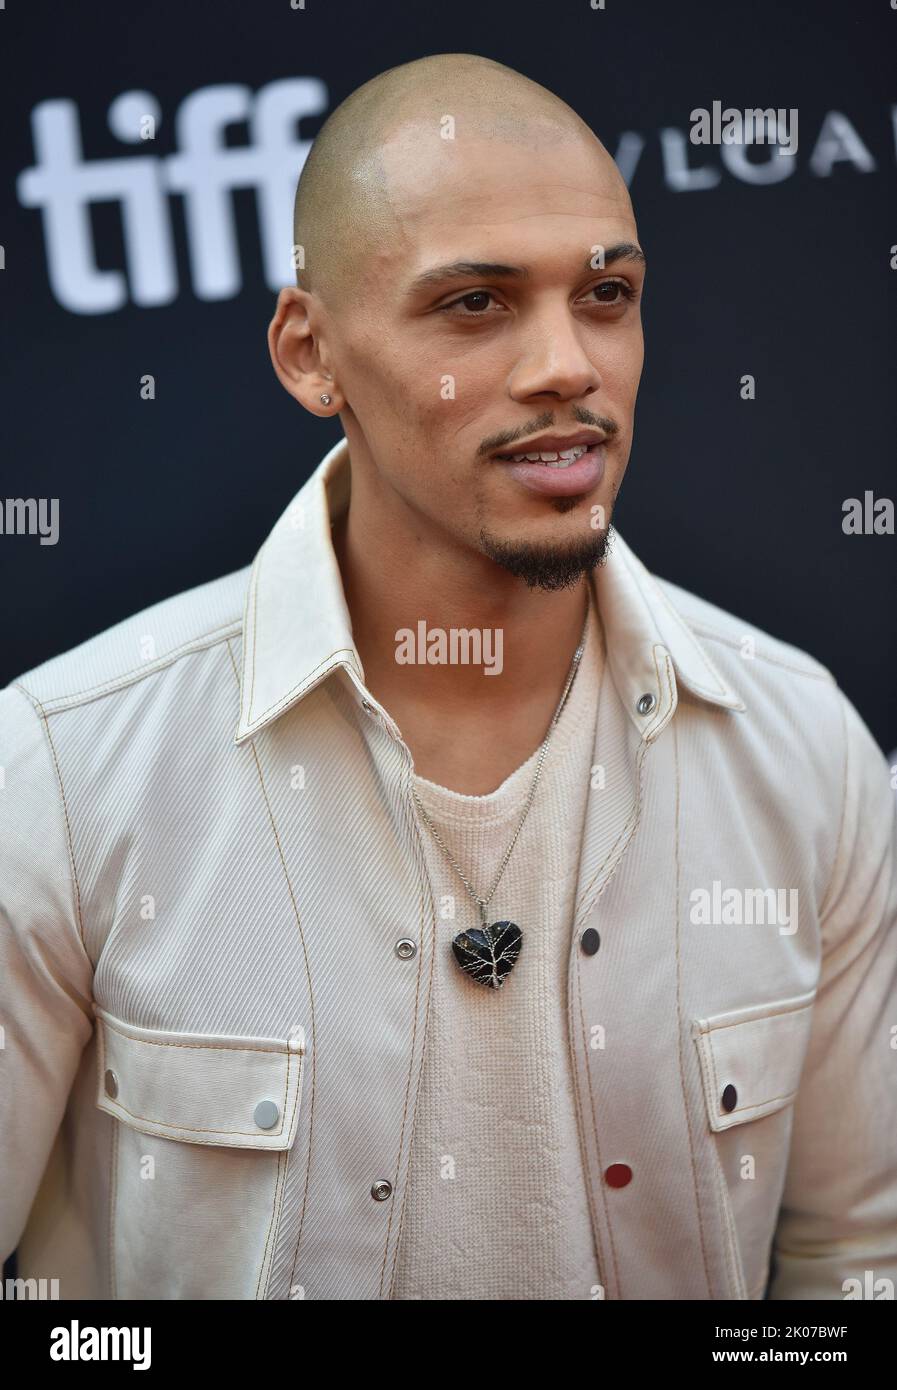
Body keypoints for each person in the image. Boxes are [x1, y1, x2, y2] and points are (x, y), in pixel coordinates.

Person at [1, 52, 895, 1302]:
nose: (566, 366)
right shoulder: (65, 768)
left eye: (606, 294)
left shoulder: (801, 746)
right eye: (476, 304)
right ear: (311, 353)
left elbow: (858, 1259)